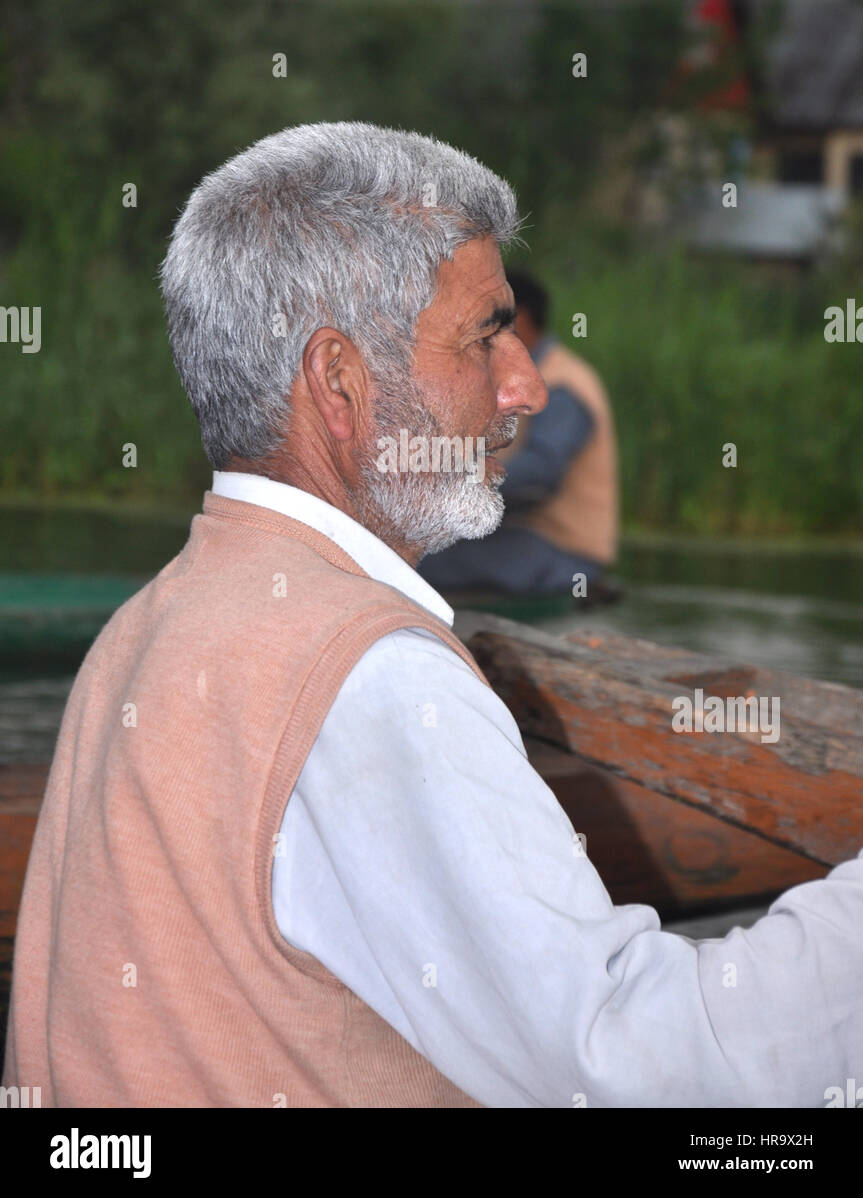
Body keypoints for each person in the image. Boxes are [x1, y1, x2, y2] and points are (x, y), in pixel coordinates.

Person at [4, 122, 861, 1108]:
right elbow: (640, 1071)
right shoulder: (372, 675)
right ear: (339, 382)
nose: (525, 384)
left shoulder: (150, 620)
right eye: (484, 335)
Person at [418, 267, 619, 597]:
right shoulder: (518, 375)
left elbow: (541, 472)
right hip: (521, 537)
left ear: (519, 318)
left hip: (559, 550)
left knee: (423, 561)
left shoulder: (564, 385)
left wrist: (449, 484)